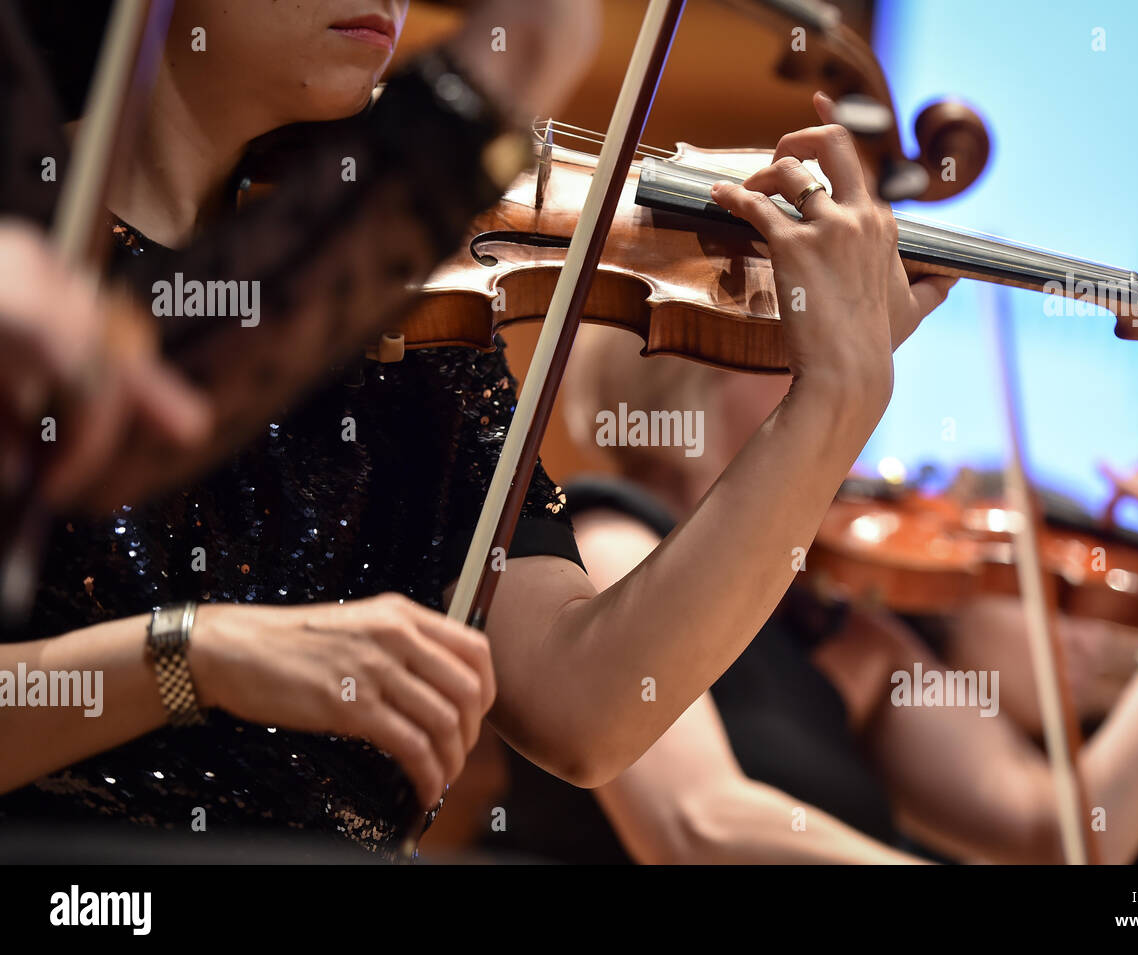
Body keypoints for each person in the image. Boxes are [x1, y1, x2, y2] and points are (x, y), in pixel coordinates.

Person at [0, 0, 954, 859]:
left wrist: (835, 398)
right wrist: (195, 658)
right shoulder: (26, 276)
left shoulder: (399, 307)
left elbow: (590, 709)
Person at [482, 322, 1138, 864]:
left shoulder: (830, 627)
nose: (840, 397)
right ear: (703, 361)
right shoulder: (616, 541)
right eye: (796, 351)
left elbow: (1071, 833)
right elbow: (696, 826)